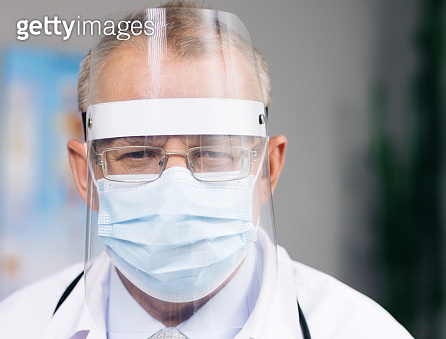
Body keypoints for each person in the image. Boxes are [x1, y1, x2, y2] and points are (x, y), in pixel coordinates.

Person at [0, 2, 412, 338]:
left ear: (268, 168)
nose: (175, 186)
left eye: (214, 153)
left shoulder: (361, 330)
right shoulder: (16, 326)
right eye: (139, 154)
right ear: (85, 174)